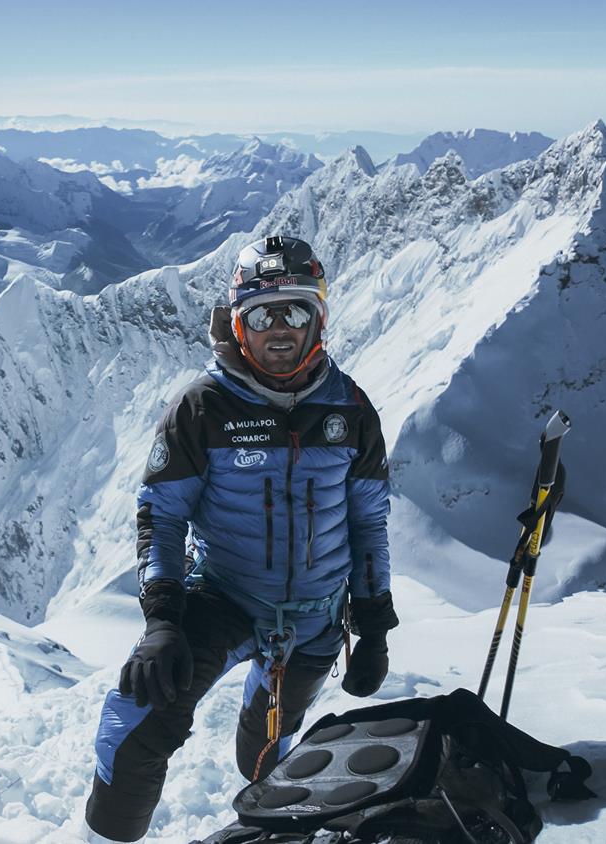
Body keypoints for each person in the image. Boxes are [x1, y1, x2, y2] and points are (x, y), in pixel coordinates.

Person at [85, 235, 398, 842]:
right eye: (261, 315)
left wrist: (375, 626)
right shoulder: (202, 407)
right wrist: (163, 622)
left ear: (319, 319)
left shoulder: (352, 410)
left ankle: (267, 830)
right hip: (222, 600)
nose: (278, 329)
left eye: (295, 312)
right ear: (237, 323)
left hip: (314, 618)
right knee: (136, 714)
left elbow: (368, 524)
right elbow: (162, 517)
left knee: (271, 757)